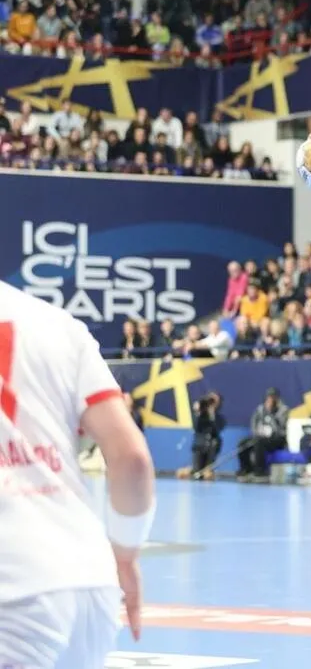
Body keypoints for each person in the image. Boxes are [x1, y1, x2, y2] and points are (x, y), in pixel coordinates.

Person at [0, 280, 156, 668]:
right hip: (90, 582)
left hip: (11, 589)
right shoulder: (58, 324)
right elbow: (132, 457)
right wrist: (126, 556)